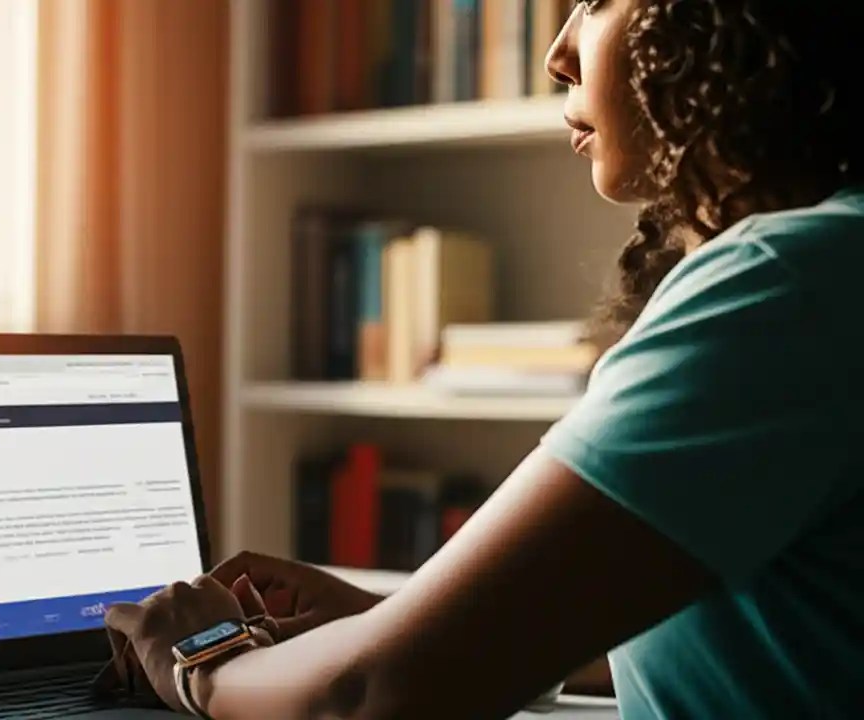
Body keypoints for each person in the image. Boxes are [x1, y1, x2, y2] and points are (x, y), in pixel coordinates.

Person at [103, 0, 864, 717]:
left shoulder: (790, 281)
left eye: (597, 1)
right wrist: (420, 625)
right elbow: (753, 637)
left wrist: (201, 653)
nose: (557, 52)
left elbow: (366, 697)